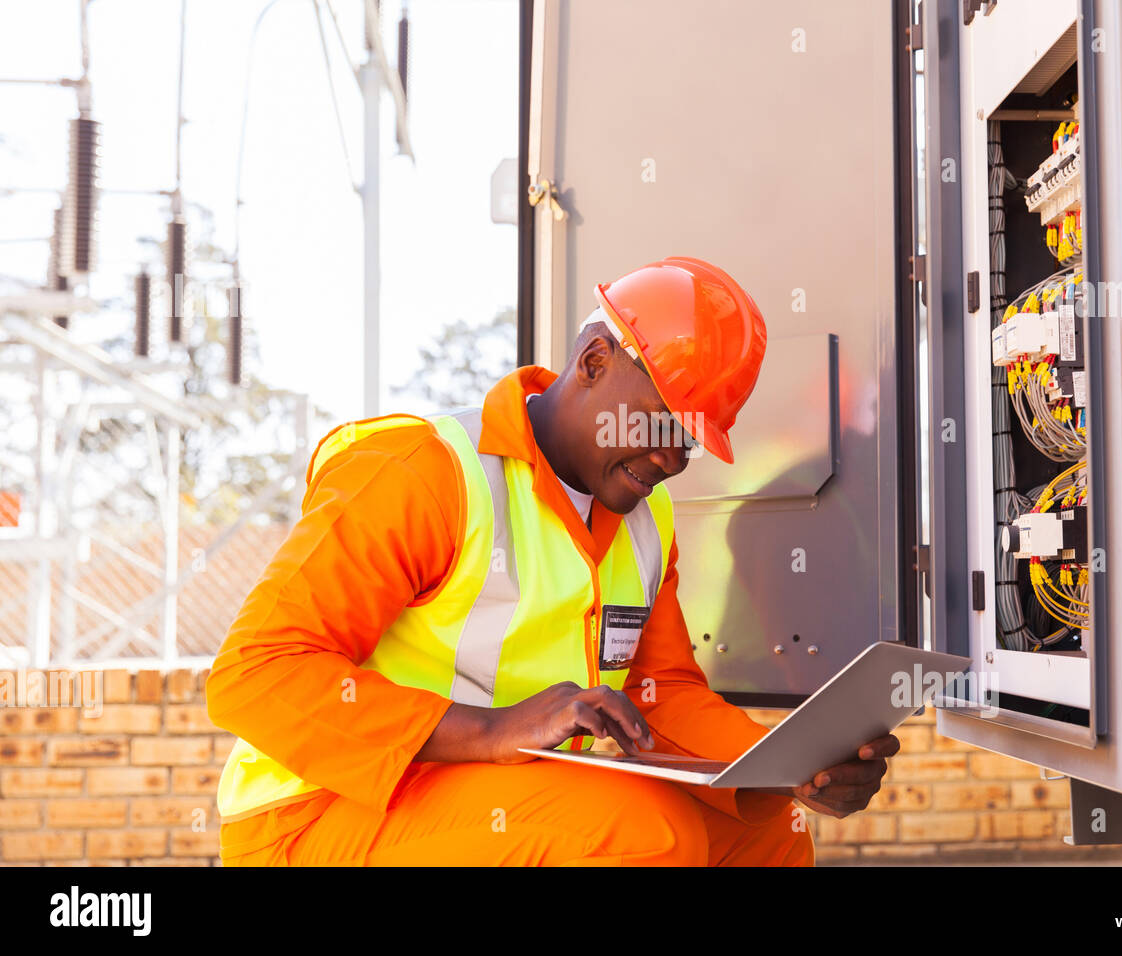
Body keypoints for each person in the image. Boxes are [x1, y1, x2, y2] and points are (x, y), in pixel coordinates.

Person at [206, 256, 899, 866]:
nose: (669, 460)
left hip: (488, 795)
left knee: (774, 833)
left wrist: (784, 768)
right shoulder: (424, 472)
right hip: (316, 815)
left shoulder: (644, 518)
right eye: (662, 423)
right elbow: (255, 675)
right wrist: (493, 731)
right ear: (595, 361)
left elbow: (661, 697)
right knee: (640, 836)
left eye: (691, 441)